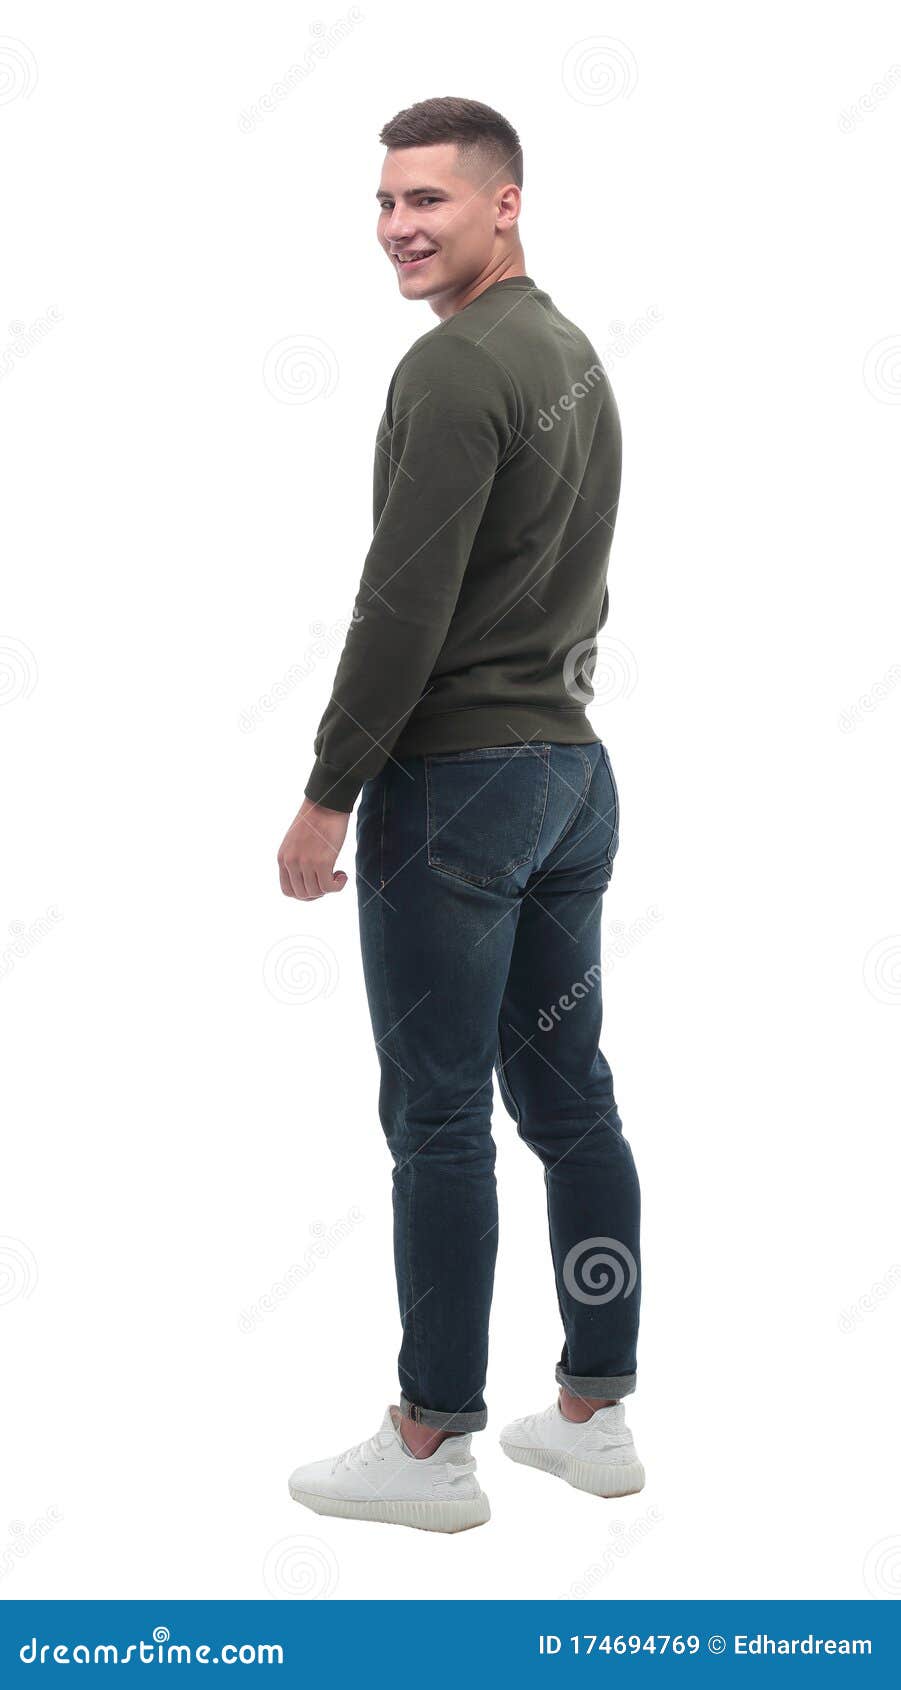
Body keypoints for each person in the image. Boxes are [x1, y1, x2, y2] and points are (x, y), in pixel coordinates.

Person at [278, 96, 643, 1532]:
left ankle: (430, 1443)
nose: (397, 227)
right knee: (569, 1097)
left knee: (436, 1119)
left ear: (505, 203)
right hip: (566, 774)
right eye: (381, 202)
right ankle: (594, 1409)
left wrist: (328, 788)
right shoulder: (567, 353)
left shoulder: (450, 372)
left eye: (426, 198)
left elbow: (402, 606)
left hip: (455, 788)